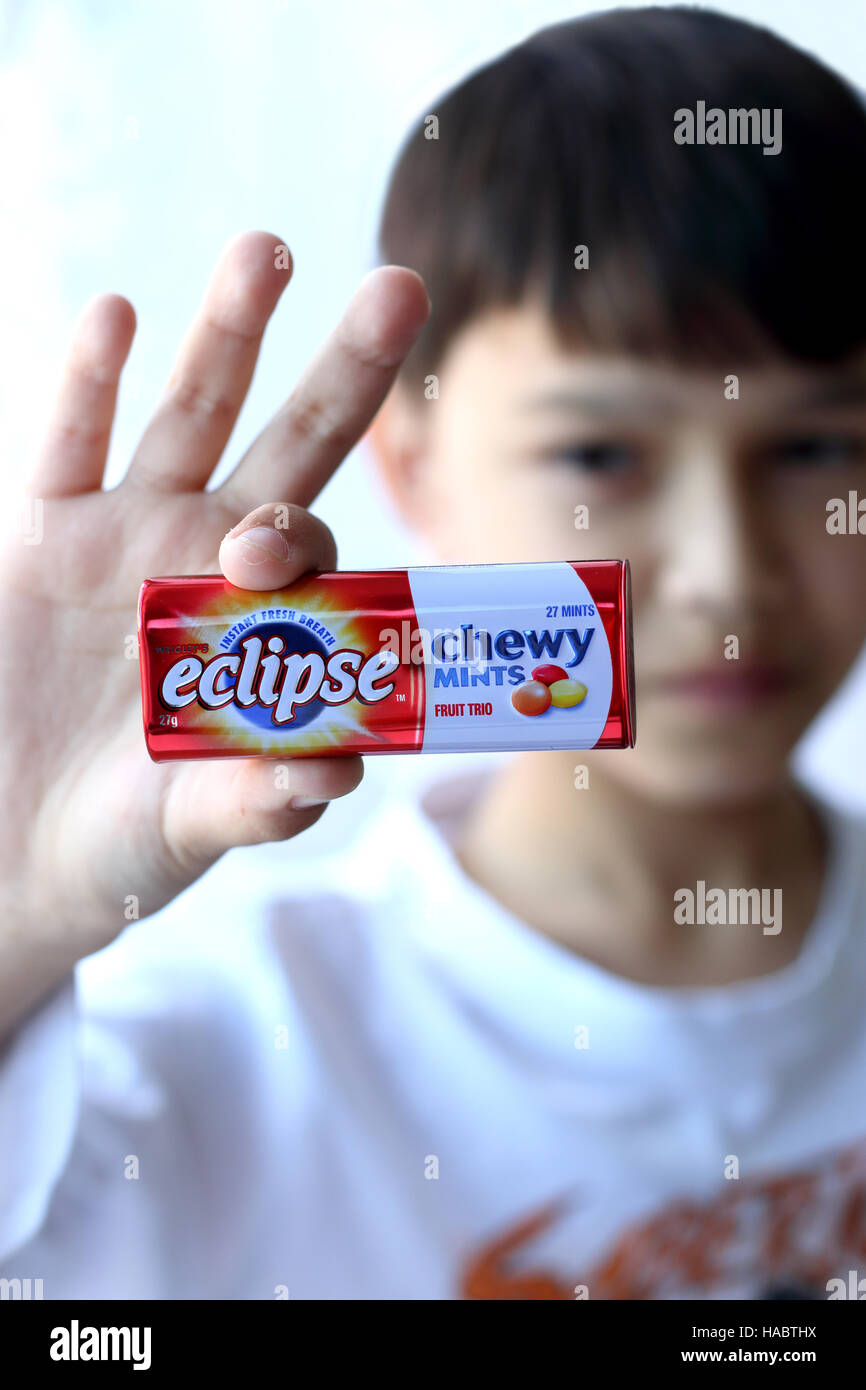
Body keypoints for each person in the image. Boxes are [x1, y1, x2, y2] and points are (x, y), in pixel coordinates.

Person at [2, 6, 866, 1301]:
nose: (725, 571)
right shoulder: (226, 1053)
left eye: (815, 449)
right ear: (409, 464)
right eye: (599, 456)